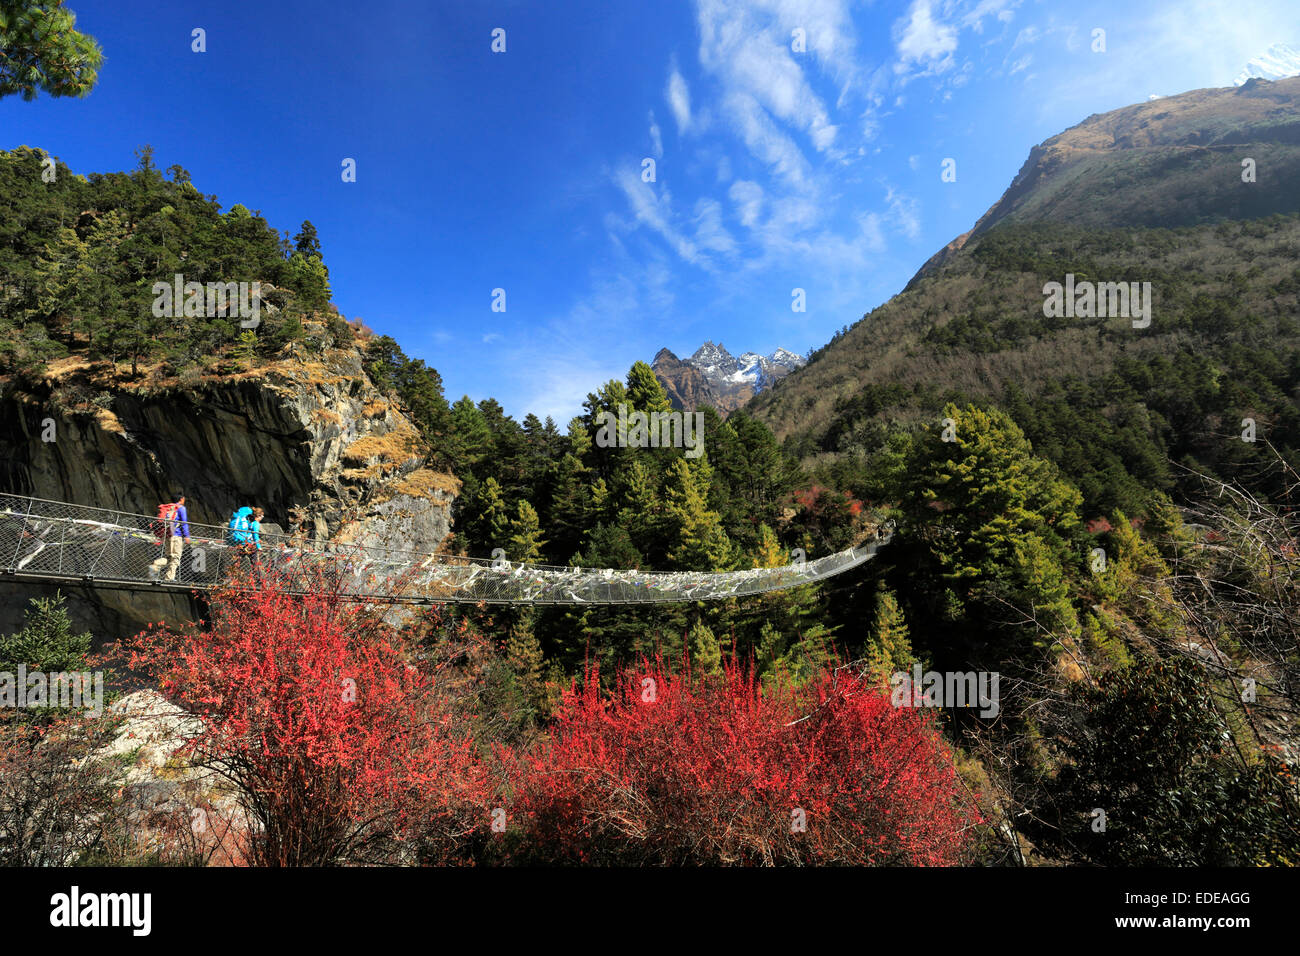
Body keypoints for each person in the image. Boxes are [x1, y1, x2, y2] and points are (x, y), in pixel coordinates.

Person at [149, 493, 191, 582]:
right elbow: (184, 523)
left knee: (169, 557)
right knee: (176, 558)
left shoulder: (169, 508)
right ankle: (169, 578)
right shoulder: (181, 508)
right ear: (181, 499)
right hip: (176, 536)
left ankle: (156, 564)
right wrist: (186, 536)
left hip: (167, 535)